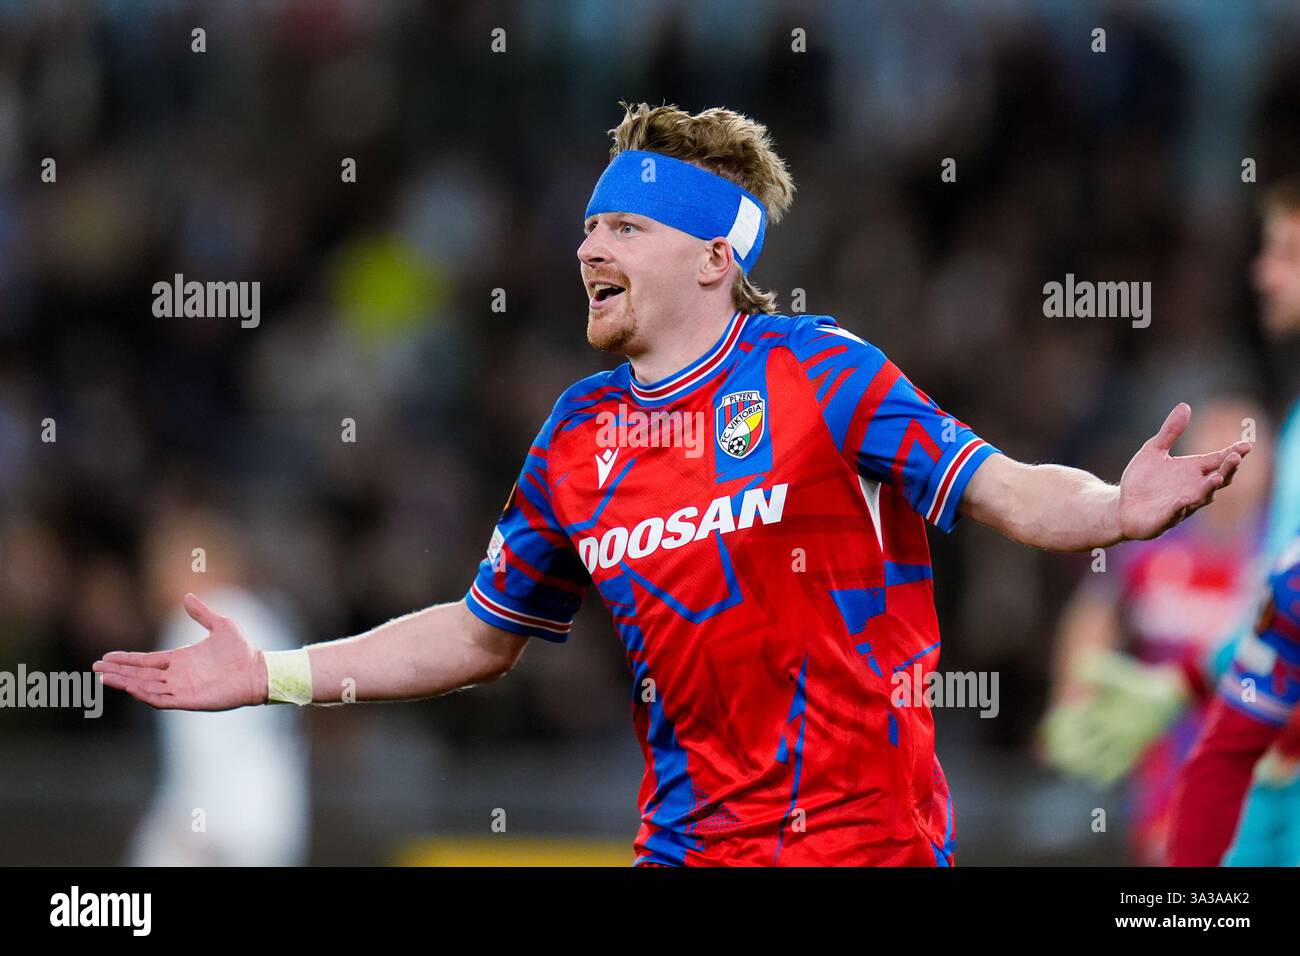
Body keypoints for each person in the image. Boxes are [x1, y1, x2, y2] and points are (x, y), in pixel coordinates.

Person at [93, 103, 1250, 867]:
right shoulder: (575, 435)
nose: (589, 246)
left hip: (865, 846)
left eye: (626, 224)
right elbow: (480, 630)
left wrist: (1113, 508)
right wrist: (277, 673)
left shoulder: (819, 369)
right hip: (687, 848)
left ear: (714, 257)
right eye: (590, 221)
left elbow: (1001, 488)